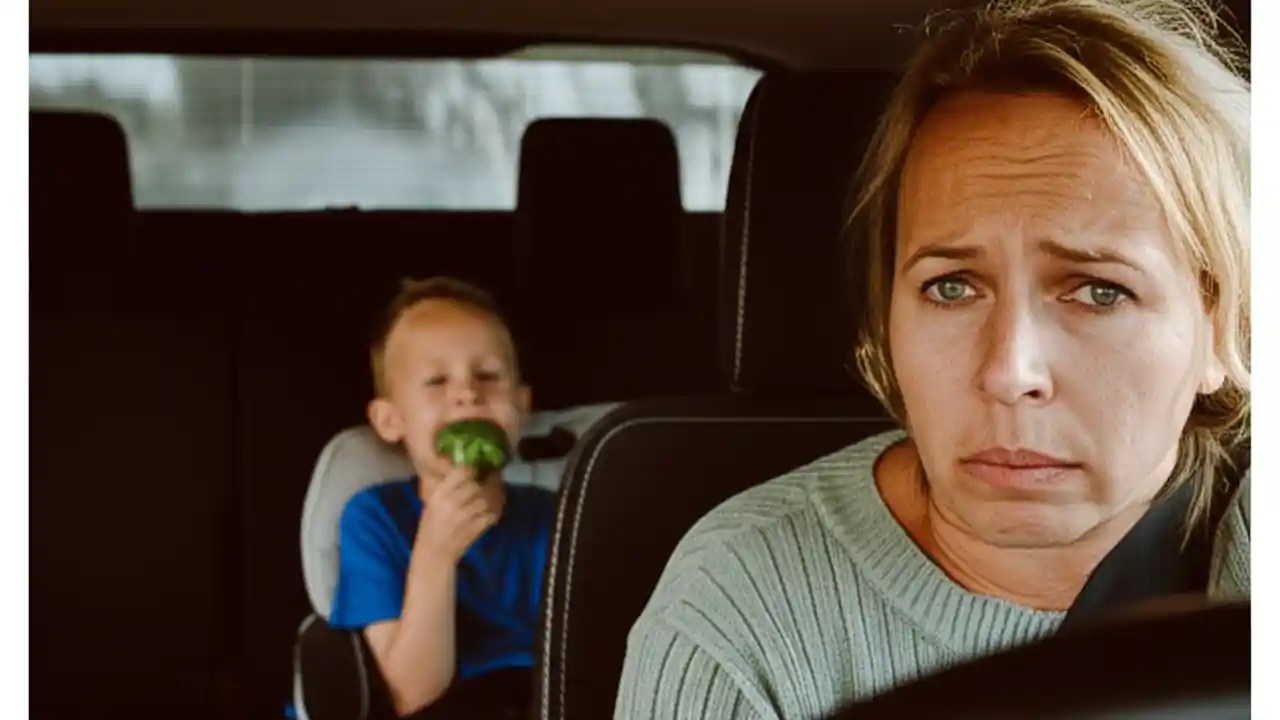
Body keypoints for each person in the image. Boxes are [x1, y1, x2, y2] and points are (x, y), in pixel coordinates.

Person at [614, 1, 1250, 718]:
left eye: (1100, 291)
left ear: (1222, 327)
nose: (1010, 372)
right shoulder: (741, 607)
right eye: (951, 286)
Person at [329, 277, 555, 718]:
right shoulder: (374, 518)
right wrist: (434, 553)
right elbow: (413, 693)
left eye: (488, 376)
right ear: (390, 420)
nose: (468, 393)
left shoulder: (554, 516)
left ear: (522, 405)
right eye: (436, 381)